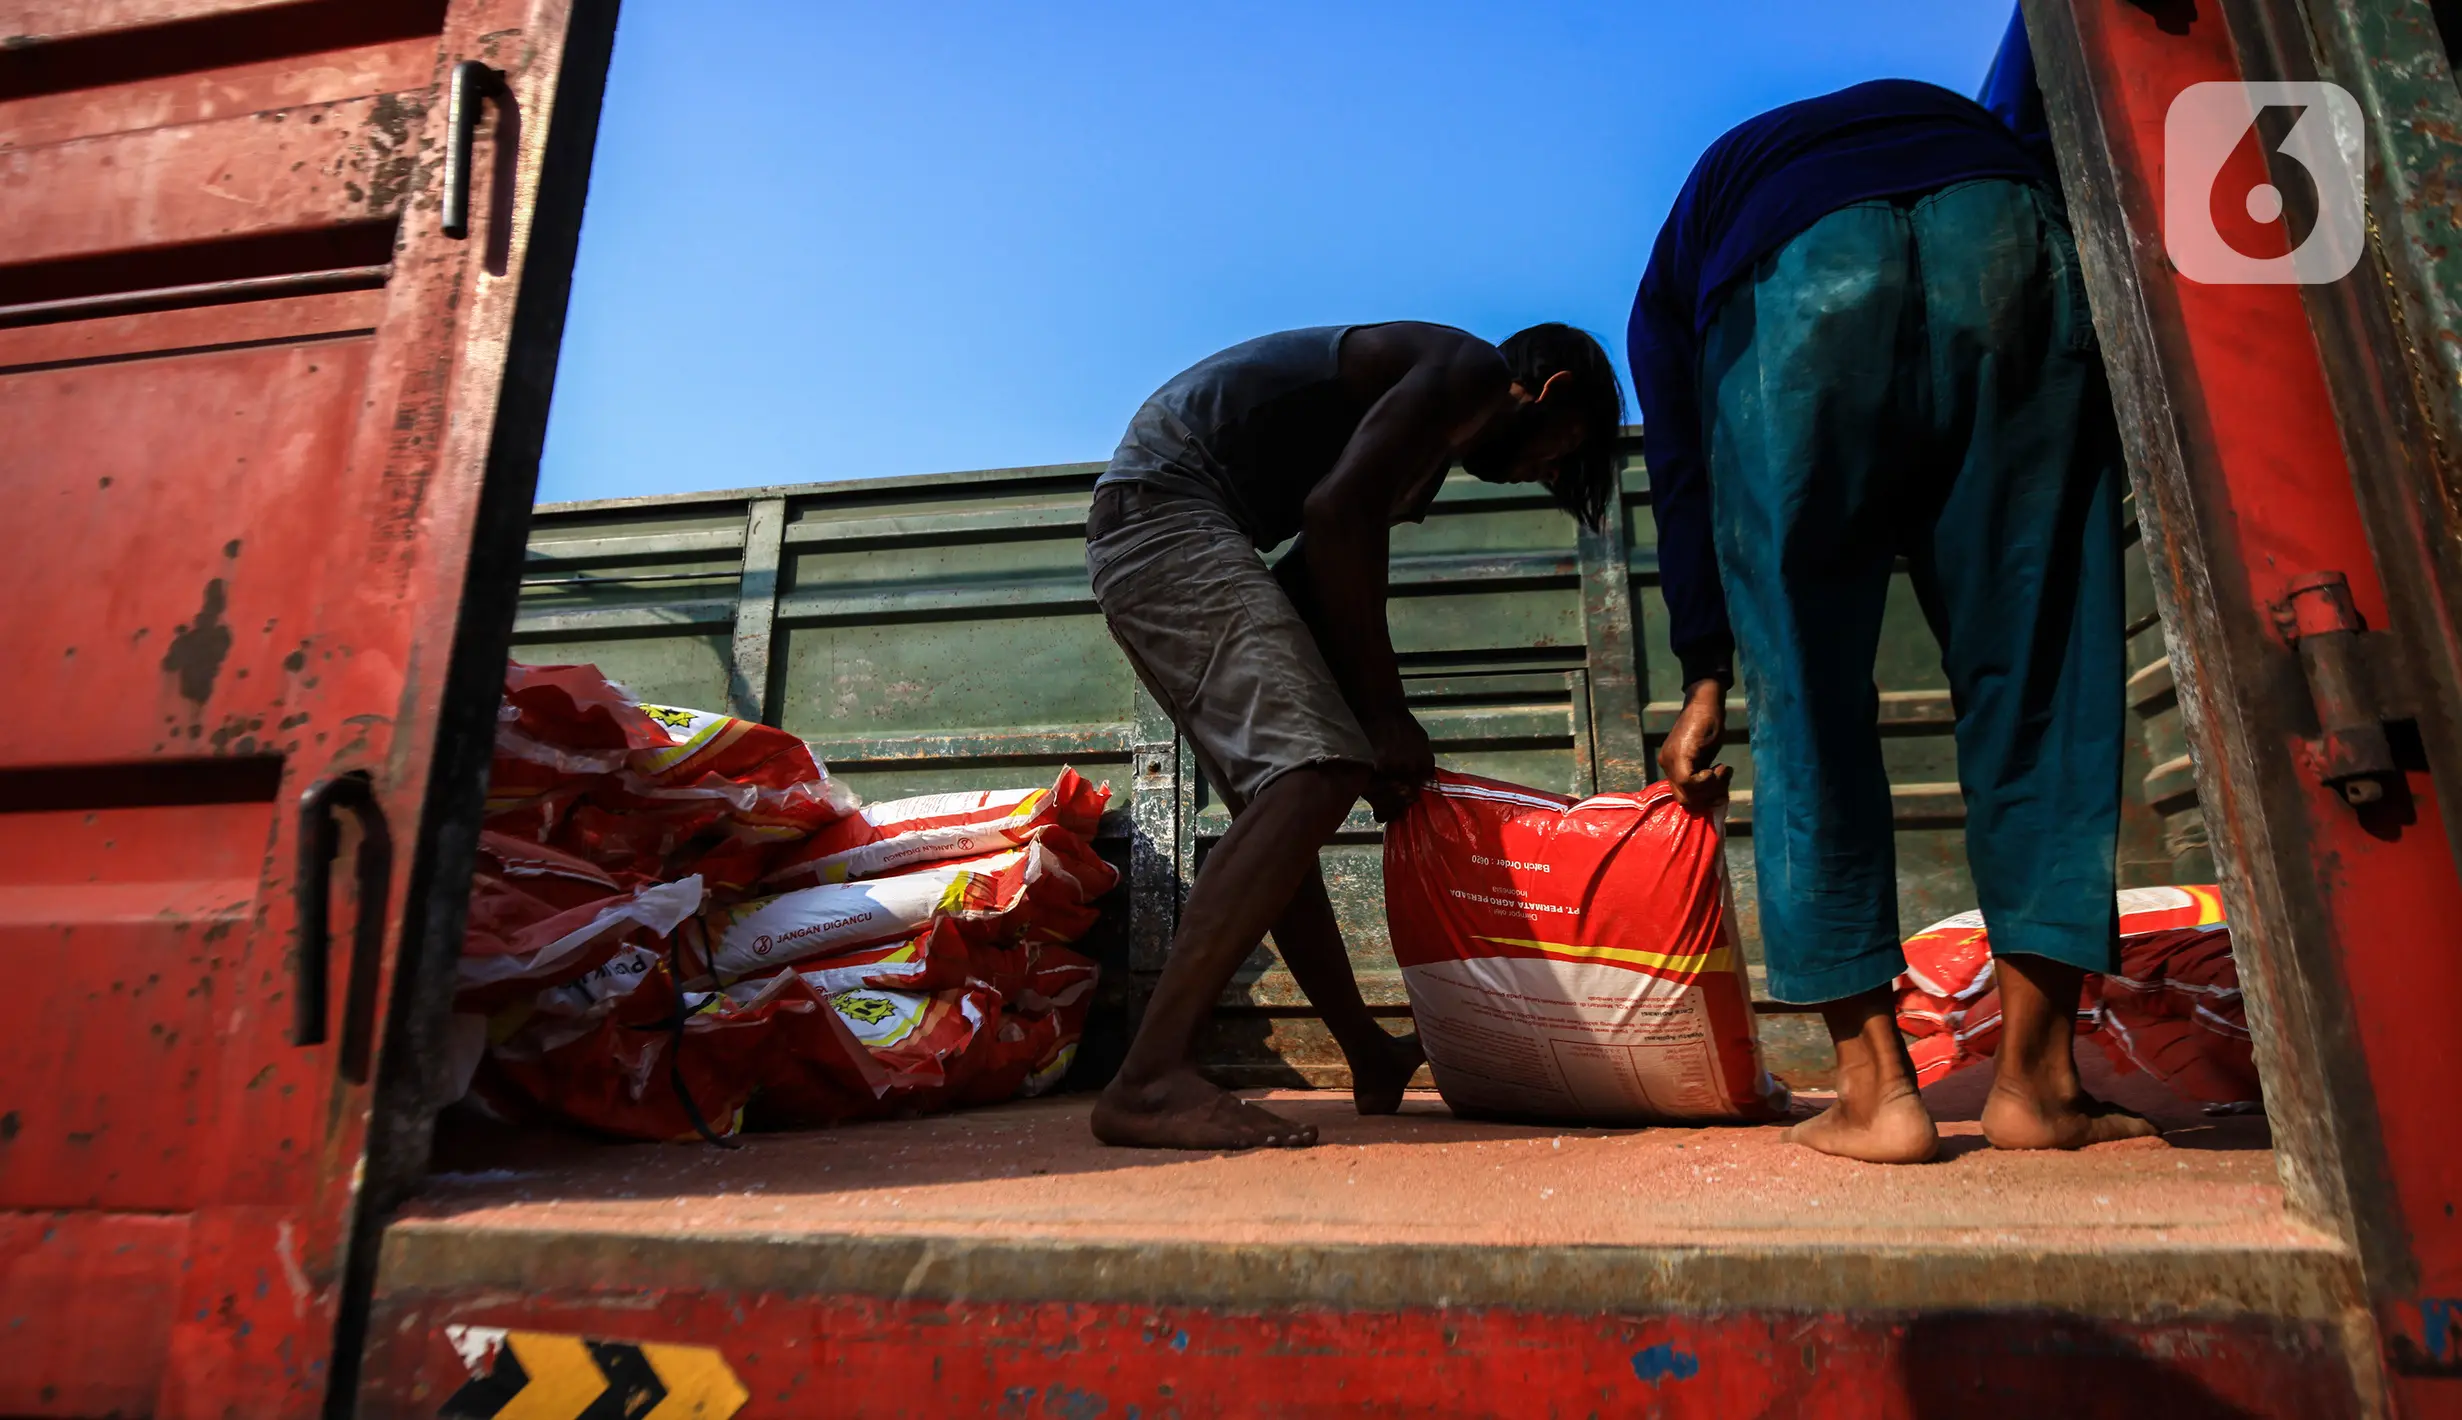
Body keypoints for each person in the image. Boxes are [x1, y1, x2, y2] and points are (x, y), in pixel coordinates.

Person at [1628, 71, 2160, 1163]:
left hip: (1789, 269)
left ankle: (1877, 1093)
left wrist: (1704, 670)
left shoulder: (1684, 244)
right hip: (2000, 226)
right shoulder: (1965, 119)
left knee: (1808, 701)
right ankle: (2038, 1086)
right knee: (2038, 672)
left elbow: (1682, 470)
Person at [1084, 321, 1625, 1150]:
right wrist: (1378, 719)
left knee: (1291, 803)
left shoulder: (1423, 457)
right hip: (1167, 511)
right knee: (1313, 773)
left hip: (1170, 529)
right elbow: (1336, 515)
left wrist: (1356, 724)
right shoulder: (1470, 373)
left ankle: (1370, 1054)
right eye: (1564, 450)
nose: (1545, 472)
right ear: (1549, 393)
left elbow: (1309, 579)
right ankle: (1150, 1079)